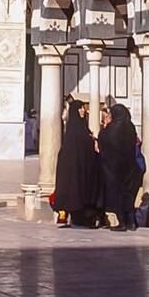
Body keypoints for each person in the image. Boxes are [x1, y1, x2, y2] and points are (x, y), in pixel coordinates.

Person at [53, 98, 102, 228]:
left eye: (83, 107)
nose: (83, 110)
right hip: (74, 168)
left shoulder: (81, 127)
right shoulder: (74, 130)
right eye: (80, 108)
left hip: (82, 167)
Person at [98, 102, 142, 231]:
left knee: (117, 195)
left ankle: (122, 222)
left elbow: (103, 140)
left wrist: (105, 126)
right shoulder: (130, 127)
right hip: (130, 167)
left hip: (115, 168)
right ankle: (131, 222)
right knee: (128, 196)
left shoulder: (112, 129)